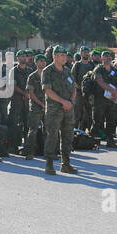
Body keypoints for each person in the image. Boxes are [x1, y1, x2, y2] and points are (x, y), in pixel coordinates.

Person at [41, 45, 79, 175]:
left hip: (68, 109)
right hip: (54, 109)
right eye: (62, 55)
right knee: (52, 136)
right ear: (55, 56)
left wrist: (71, 102)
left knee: (68, 136)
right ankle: (49, 164)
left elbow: (74, 87)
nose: (65, 58)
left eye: (65, 55)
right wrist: (63, 102)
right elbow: (48, 90)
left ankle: (66, 164)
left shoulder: (67, 71)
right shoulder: (48, 71)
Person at [93, 49, 117, 145]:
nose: (108, 57)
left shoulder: (115, 70)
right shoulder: (98, 69)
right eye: (106, 56)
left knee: (111, 119)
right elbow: (100, 82)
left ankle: (110, 140)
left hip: (112, 99)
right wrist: (113, 91)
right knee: (98, 119)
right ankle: (95, 139)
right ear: (102, 58)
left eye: (110, 56)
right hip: (100, 99)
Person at [22, 52, 47, 159]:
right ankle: (29, 152)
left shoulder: (48, 75)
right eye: (41, 61)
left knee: (49, 130)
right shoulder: (32, 77)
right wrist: (41, 104)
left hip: (48, 106)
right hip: (36, 106)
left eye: (44, 61)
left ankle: (49, 152)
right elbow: (31, 94)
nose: (43, 62)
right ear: (36, 63)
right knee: (33, 130)